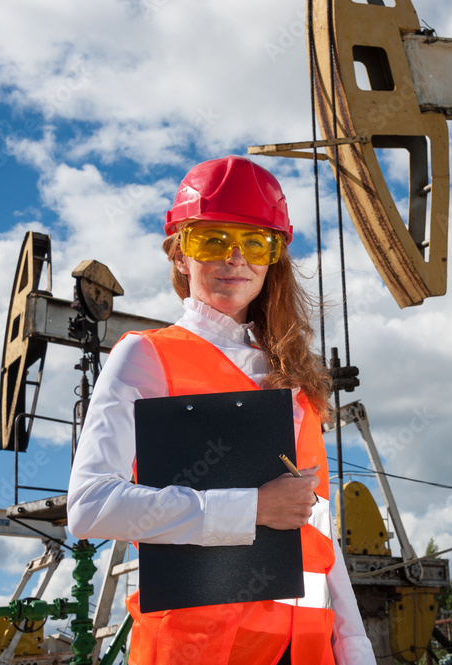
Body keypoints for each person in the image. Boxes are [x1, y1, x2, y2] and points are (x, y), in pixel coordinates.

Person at [67, 155, 375, 665]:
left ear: (273, 256)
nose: (235, 258)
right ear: (180, 255)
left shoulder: (293, 380)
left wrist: (355, 647)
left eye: (255, 242)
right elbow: (90, 506)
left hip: (307, 648)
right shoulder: (147, 356)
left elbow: (317, 528)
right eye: (212, 240)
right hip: (199, 650)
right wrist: (253, 508)